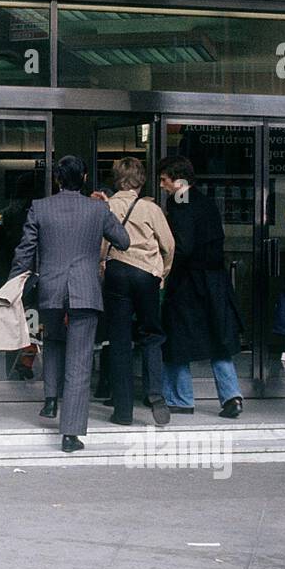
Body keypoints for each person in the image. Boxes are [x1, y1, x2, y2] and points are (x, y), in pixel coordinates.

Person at [11, 155, 130, 453]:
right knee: (79, 361)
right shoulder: (98, 209)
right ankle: (70, 432)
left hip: (51, 289)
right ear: (86, 178)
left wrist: (12, 285)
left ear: (57, 180)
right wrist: (108, 205)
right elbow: (124, 240)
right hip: (85, 291)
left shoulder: (40, 207)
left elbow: (25, 251)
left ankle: (50, 399)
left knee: (52, 340)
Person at [157, 156, 246, 418]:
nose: (162, 185)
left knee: (176, 339)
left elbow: (183, 244)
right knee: (219, 340)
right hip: (215, 281)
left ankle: (179, 397)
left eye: (164, 180)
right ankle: (232, 396)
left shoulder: (180, 202)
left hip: (188, 282)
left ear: (179, 180)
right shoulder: (206, 201)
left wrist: (165, 269)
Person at [101, 157, 175, 427]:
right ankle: (155, 395)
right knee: (151, 335)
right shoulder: (150, 208)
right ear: (140, 180)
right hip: (146, 276)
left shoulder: (107, 207)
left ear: (117, 179)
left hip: (117, 272)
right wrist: (161, 273)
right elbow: (169, 244)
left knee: (119, 340)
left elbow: (101, 245)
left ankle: (123, 411)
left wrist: (104, 268)